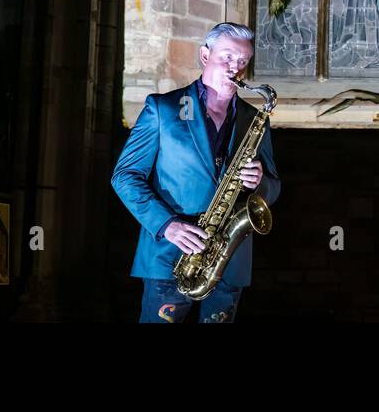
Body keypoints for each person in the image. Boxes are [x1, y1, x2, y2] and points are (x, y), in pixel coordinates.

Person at [112, 22, 281, 323]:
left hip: (228, 259)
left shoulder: (254, 119)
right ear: (205, 55)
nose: (236, 68)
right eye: (227, 57)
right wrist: (168, 225)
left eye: (243, 61)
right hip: (169, 253)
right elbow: (124, 176)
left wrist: (260, 183)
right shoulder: (162, 109)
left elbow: (273, 187)